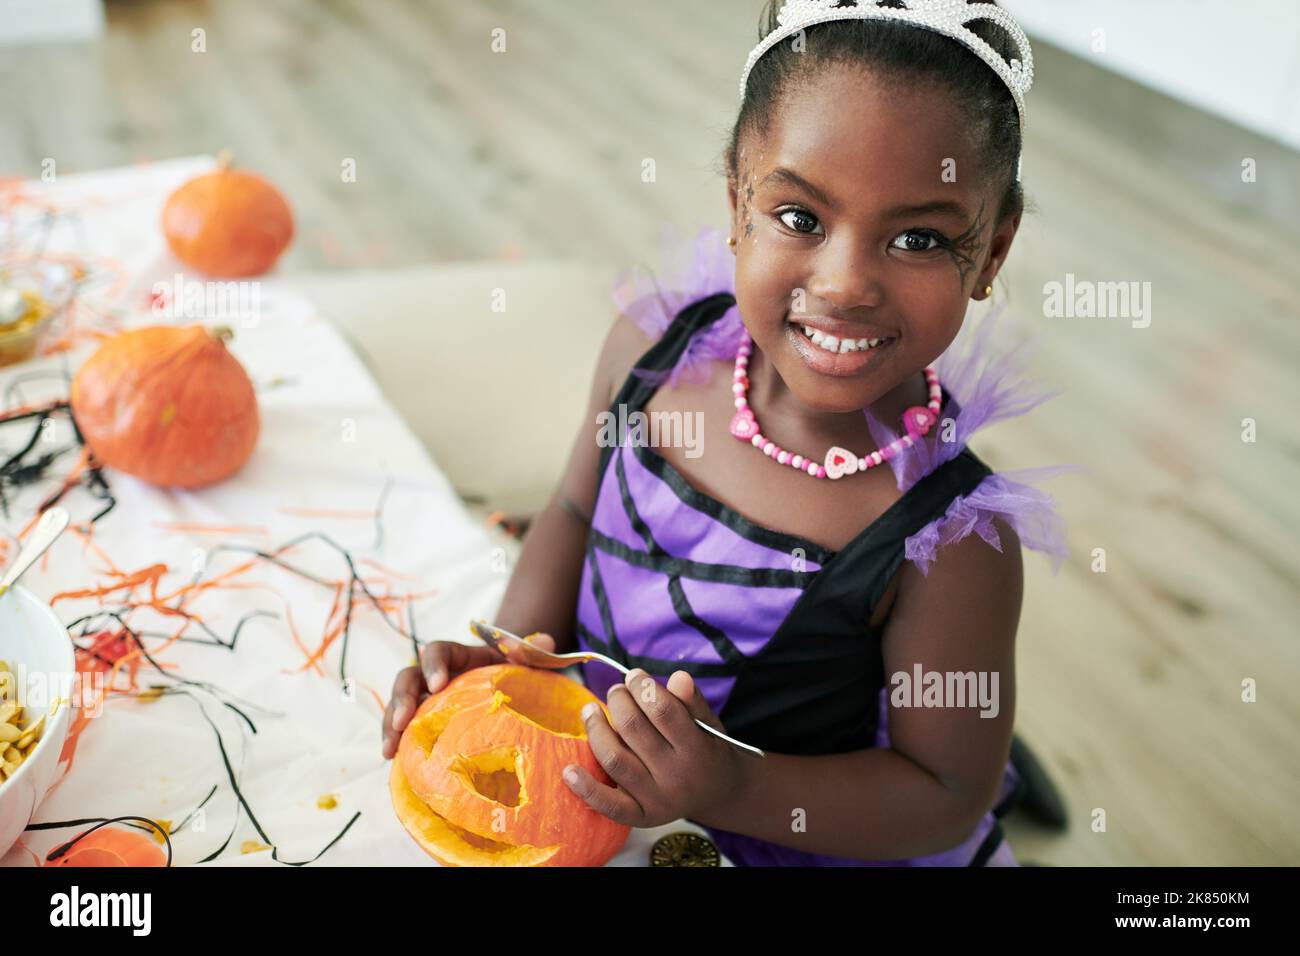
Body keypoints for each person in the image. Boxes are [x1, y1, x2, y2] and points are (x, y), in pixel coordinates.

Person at [383, 0, 1077, 865]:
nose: (846, 282)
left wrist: (730, 787)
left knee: (953, 731)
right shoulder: (651, 353)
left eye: (919, 237)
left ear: (994, 252)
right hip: (596, 773)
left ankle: (983, 737)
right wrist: (514, 681)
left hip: (801, 833)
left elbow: (941, 798)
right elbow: (568, 508)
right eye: (800, 218)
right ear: (737, 202)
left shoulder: (952, 541)